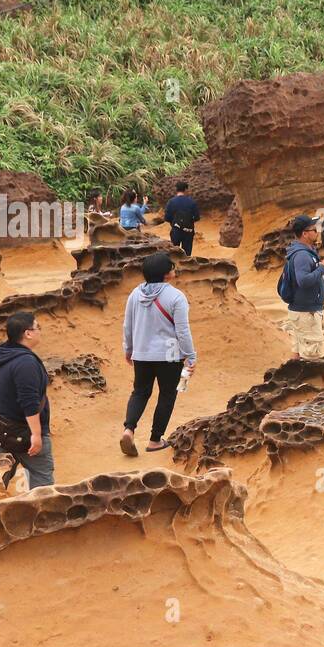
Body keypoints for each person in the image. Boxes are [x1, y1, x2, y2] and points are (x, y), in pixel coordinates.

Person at [120, 251, 197, 455]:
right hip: (170, 353)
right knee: (167, 394)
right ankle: (155, 440)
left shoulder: (135, 294)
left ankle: (129, 429)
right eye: (171, 267)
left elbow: (127, 325)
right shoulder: (176, 296)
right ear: (166, 273)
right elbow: (182, 330)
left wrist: (128, 349)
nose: (174, 270)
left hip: (142, 352)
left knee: (140, 392)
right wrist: (190, 355)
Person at [0, 311, 54, 488]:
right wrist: (36, 435)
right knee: (43, 489)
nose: (40, 331)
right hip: (25, 434)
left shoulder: (0, 354)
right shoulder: (26, 363)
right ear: (28, 333)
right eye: (38, 327)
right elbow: (29, 403)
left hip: (1, 432)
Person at [281, 214, 324, 357]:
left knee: (297, 353)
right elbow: (303, 281)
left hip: (302, 312)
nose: (317, 232)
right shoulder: (302, 255)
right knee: (311, 357)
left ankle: (290, 379)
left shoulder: (302, 252)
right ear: (304, 234)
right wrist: (322, 268)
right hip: (306, 314)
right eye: (314, 230)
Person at [162, 181, 201, 257]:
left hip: (176, 230)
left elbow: (166, 218)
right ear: (186, 189)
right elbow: (197, 217)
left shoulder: (171, 202)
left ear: (176, 190)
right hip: (188, 231)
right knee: (187, 253)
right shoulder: (192, 202)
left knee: (174, 252)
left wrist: (174, 222)